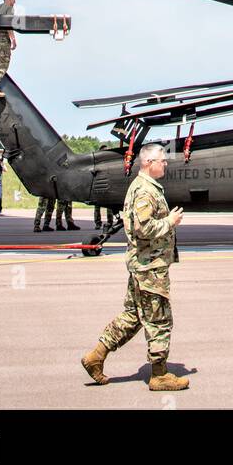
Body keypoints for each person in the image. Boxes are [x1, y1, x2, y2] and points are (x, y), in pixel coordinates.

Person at [81, 142, 188, 391]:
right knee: (159, 320)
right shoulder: (144, 191)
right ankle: (159, 375)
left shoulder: (146, 187)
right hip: (150, 268)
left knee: (134, 317)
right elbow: (144, 229)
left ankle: (95, 357)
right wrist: (170, 222)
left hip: (143, 266)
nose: (165, 163)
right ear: (148, 163)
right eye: (162, 160)